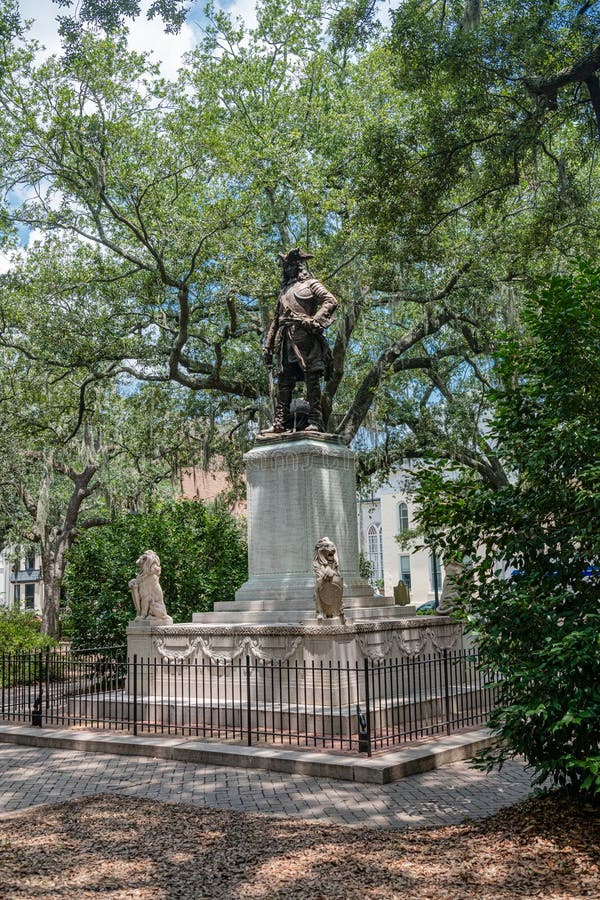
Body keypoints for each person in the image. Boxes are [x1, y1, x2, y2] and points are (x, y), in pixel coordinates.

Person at [262, 248, 338, 433]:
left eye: (291, 265)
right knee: (284, 382)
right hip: (285, 340)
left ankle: (315, 420)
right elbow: (276, 321)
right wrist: (268, 346)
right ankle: (279, 422)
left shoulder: (312, 284)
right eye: (285, 266)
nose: (288, 269)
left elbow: (330, 301)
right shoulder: (284, 291)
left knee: (311, 379)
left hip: (306, 340)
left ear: (299, 266)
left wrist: (314, 320)